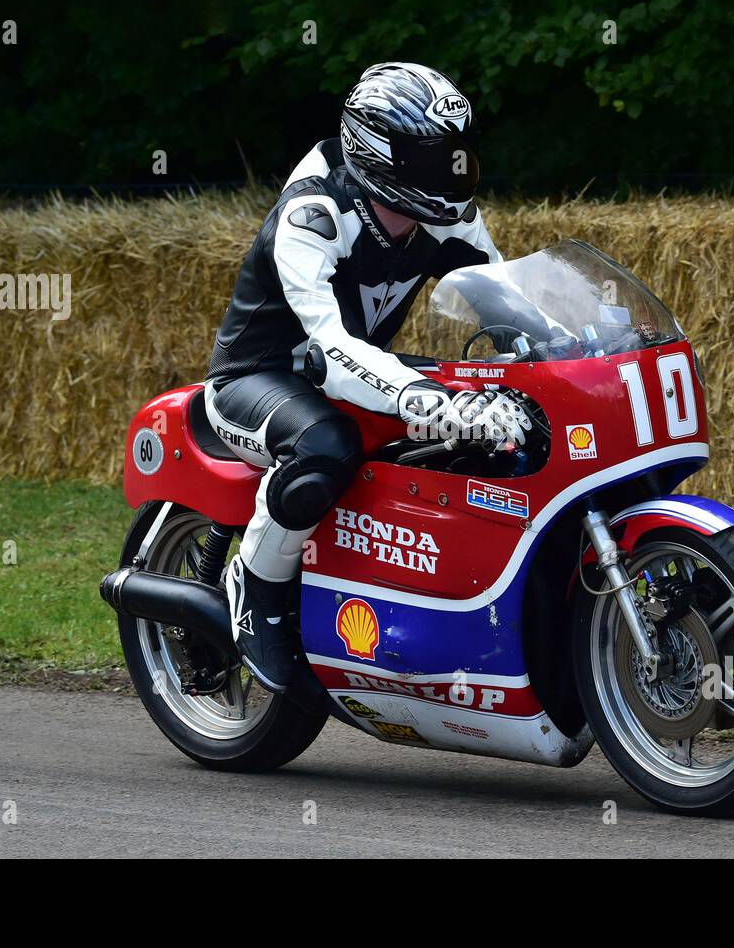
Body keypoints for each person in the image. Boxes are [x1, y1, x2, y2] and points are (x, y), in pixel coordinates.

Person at [204, 62, 532, 693]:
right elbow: (328, 350)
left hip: (348, 373)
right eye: (433, 157)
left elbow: (508, 305)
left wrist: (564, 350)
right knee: (326, 444)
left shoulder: (445, 215)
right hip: (259, 377)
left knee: (482, 421)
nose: (451, 174)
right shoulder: (314, 212)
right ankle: (258, 587)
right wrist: (421, 396)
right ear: (381, 150)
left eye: (456, 156)